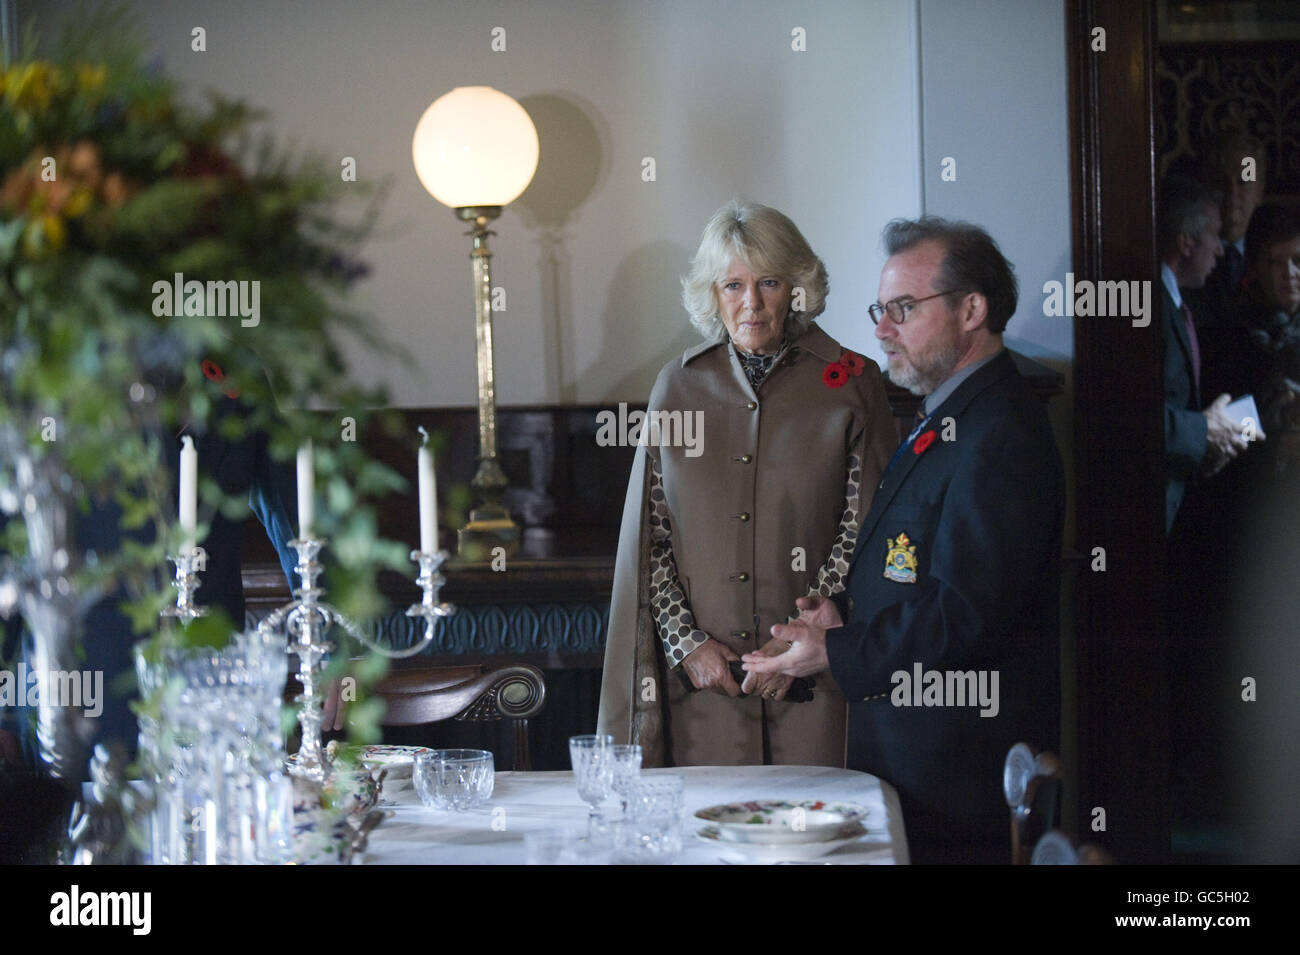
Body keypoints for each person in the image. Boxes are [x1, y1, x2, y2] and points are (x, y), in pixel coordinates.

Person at [743, 216, 1064, 863]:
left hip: (955, 772)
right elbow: (915, 572)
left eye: (902, 309)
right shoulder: (951, 411)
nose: (881, 329)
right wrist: (846, 614)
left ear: (971, 308)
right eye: (879, 309)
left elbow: (964, 612)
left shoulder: (999, 431)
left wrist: (836, 649)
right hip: (916, 756)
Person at [598, 200, 896, 767]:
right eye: (732, 285)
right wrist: (687, 644)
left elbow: (867, 526)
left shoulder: (855, 383)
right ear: (713, 295)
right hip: (704, 683)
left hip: (817, 677)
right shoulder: (676, 387)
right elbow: (651, 536)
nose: (751, 303)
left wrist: (801, 639)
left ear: (798, 289)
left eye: (769, 282)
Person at [1159, 175, 1252, 534]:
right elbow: (1129, 409)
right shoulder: (1147, 305)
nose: (1221, 249)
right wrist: (1204, 430)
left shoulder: (1178, 302)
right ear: (1186, 242)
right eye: (1214, 235)